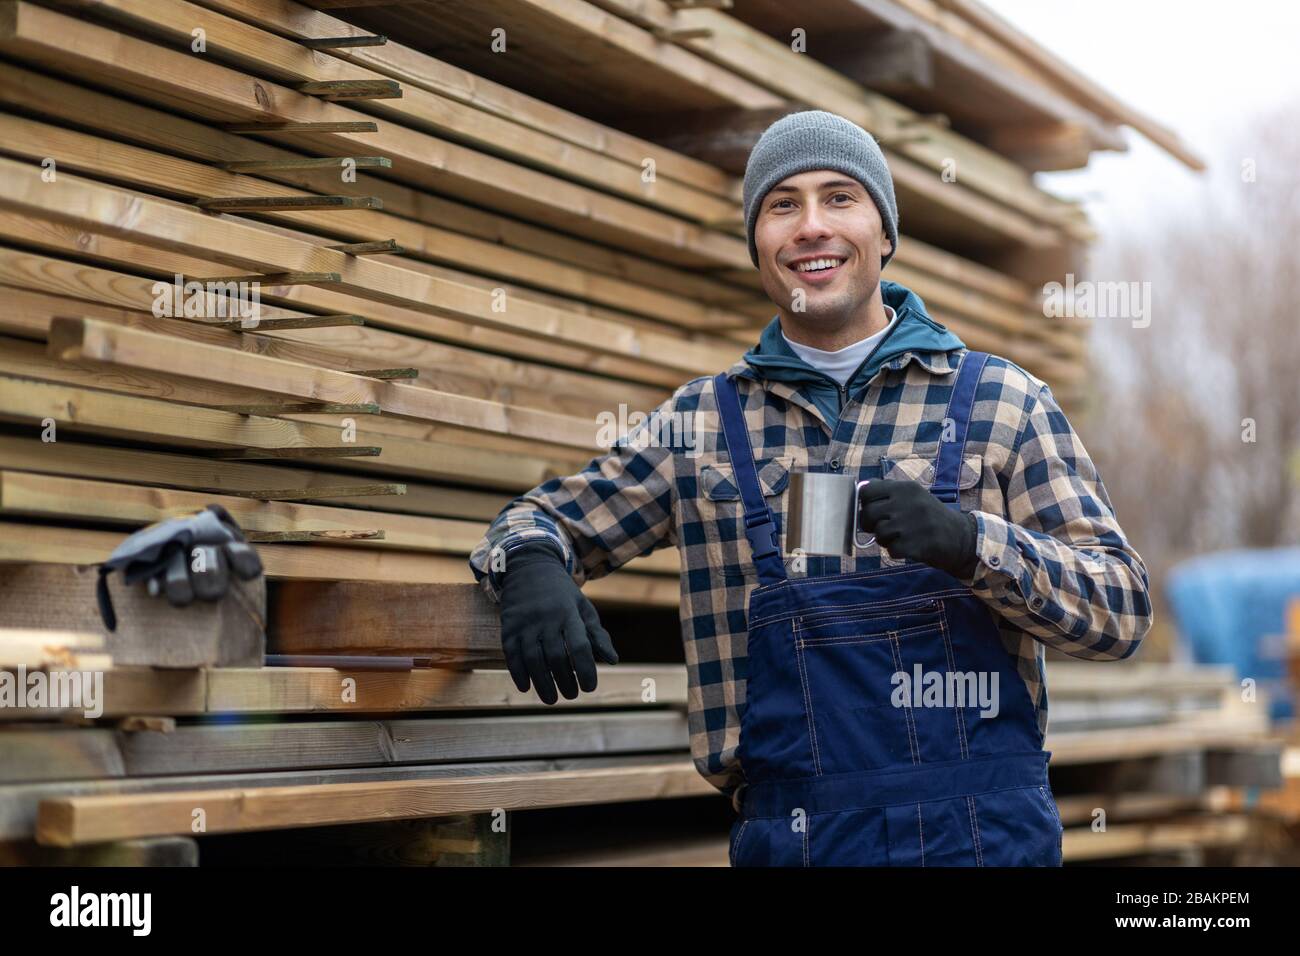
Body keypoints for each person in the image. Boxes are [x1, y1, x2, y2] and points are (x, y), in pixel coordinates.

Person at [468, 110, 1152, 866]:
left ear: (884, 233)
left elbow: (1120, 608)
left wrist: (973, 545)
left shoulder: (1002, 401)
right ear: (758, 244)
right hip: (794, 841)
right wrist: (530, 560)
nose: (811, 227)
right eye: (782, 206)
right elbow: (542, 519)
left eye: (840, 198)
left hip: (984, 841)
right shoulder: (703, 422)